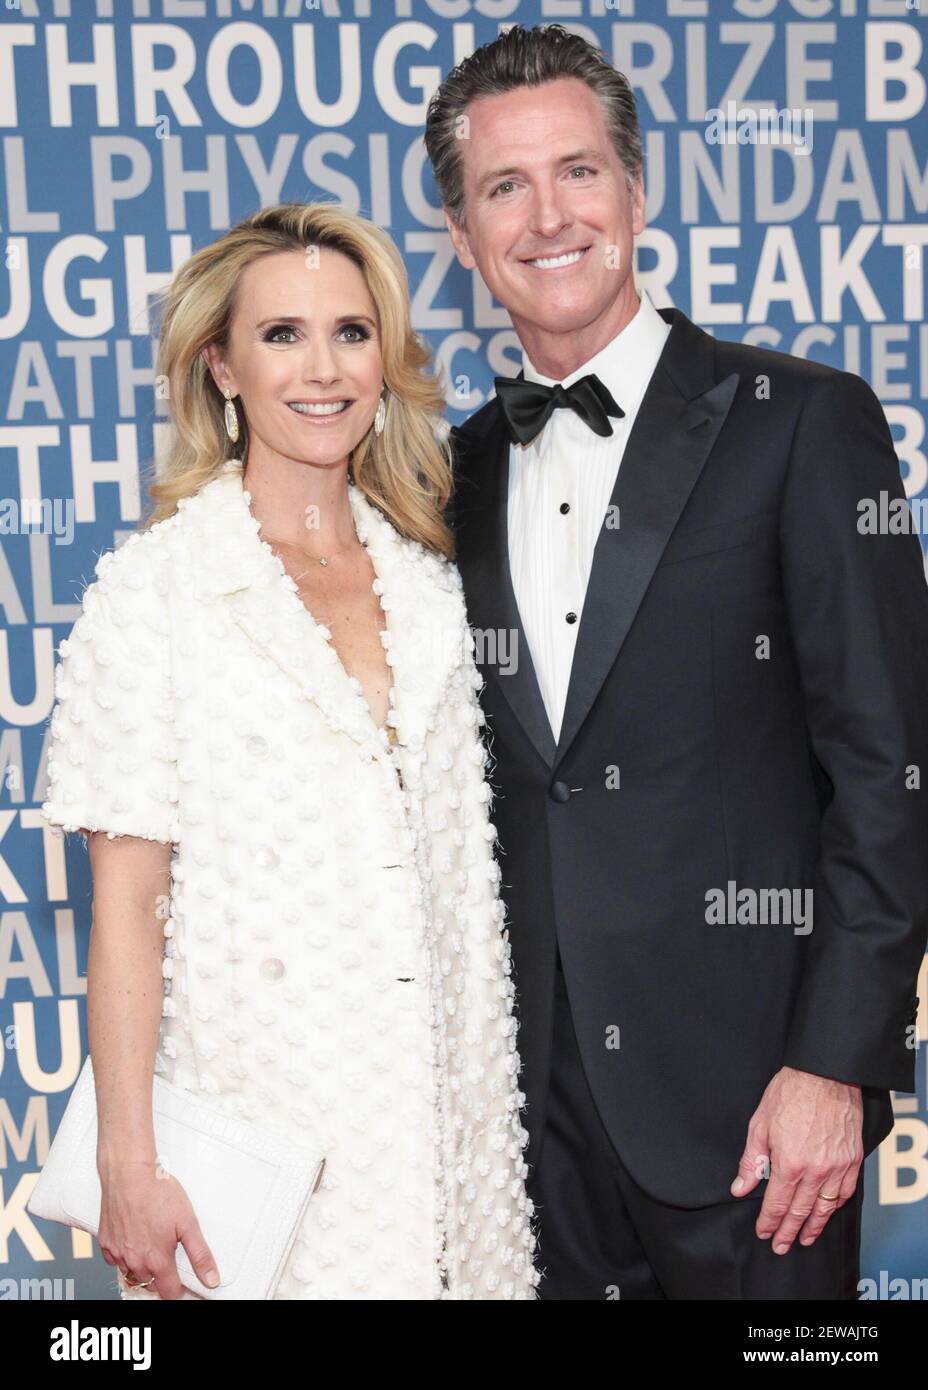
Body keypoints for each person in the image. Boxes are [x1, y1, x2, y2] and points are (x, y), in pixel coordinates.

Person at [425, 24, 928, 1299]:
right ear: (458, 235)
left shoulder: (803, 423)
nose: (548, 216)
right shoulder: (448, 476)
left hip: (761, 1122)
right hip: (525, 1138)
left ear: (636, 194)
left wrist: (836, 1065)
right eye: (503, 187)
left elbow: (888, 766)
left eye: (579, 172)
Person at [41, 201, 538, 1301]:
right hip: (262, 1154)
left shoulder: (433, 586)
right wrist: (130, 1164)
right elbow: (124, 905)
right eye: (282, 335)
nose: (323, 369)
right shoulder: (154, 593)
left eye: (352, 332)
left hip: (450, 1151)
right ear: (220, 366)